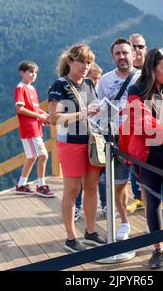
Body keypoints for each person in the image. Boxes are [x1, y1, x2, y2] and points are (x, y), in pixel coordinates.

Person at [120, 48, 163, 268]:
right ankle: (158, 249)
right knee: (153, 203)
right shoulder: (137, 90)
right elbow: (143, 125)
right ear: (152, 68)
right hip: (148, 158)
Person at [48, 44, 107, 252]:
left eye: (89, 62)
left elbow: (93, 110)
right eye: (82, 61)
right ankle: (71, 239)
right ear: (70, 61)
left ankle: (90, 232)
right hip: (70, 143)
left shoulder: (90, 84)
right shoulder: (60, 85)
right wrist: (82, 114)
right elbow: (54, 118)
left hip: (89, 142)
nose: (86, 66)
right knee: (72, 191)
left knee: (91, 188)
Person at [97, 38, 141, 241]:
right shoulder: (105, 80)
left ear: (133, 54)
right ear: (113, 56)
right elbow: (100, 110)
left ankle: (154, 226)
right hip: (116, 139)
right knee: (119, 184)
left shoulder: (143, 77)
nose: (122, 56)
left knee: (147, 183)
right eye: (118, 53)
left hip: (141, 137)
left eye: (125, 52)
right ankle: (124, 222)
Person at [14, 61, 54, 197]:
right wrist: (39, 116)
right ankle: (41, 185)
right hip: (29, 128)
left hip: (35, 126)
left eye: (35, 72)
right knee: (43, 155)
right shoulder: (21, 88)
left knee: (31, 157)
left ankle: (21, 184)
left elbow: (34, 108)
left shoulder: (32, 89)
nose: (33, 75)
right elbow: (20, 109)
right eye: (30, 72)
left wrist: (45, 115)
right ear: (22, 73)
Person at [74, 62, 106, 221]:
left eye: (98, 79)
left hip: (97, 138)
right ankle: (77, 208)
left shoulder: (98, 92)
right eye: (94, 79)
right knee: (80, 177)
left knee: (99, 175)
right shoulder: (79, 92)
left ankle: (105, 205)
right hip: (80, 138)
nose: (96, 82)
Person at [127, 33, 148, 213]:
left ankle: (150, 198)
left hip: (152, 128)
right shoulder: (124, 73)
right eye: (133, 47)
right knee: (134, 162)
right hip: (129, 127)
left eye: (140, 46)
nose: (137, 50)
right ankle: (137, 197)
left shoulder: (151, 73)